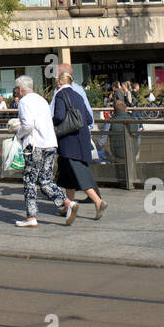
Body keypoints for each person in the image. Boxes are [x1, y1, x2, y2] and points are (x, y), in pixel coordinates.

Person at [11, 75, 77, 227]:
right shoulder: (42, 100)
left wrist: (18, 134)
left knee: (30, 180)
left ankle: (31, 216)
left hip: (35, 145)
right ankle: (68, 203)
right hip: (50, 143)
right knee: (45, 180)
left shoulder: (24, 102)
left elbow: (27, 125)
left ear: (20, 89)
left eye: (16, 89)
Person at [53, 70, 105, 220]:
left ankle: (98, 201)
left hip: (68, 141)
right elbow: (88, 119)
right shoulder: (78, 95)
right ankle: (68, 206)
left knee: (78, 172)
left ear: (60, 82)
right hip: (81, 139)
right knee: (67, 174)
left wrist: (51, 124)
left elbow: (59, 116)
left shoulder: (61, 95)